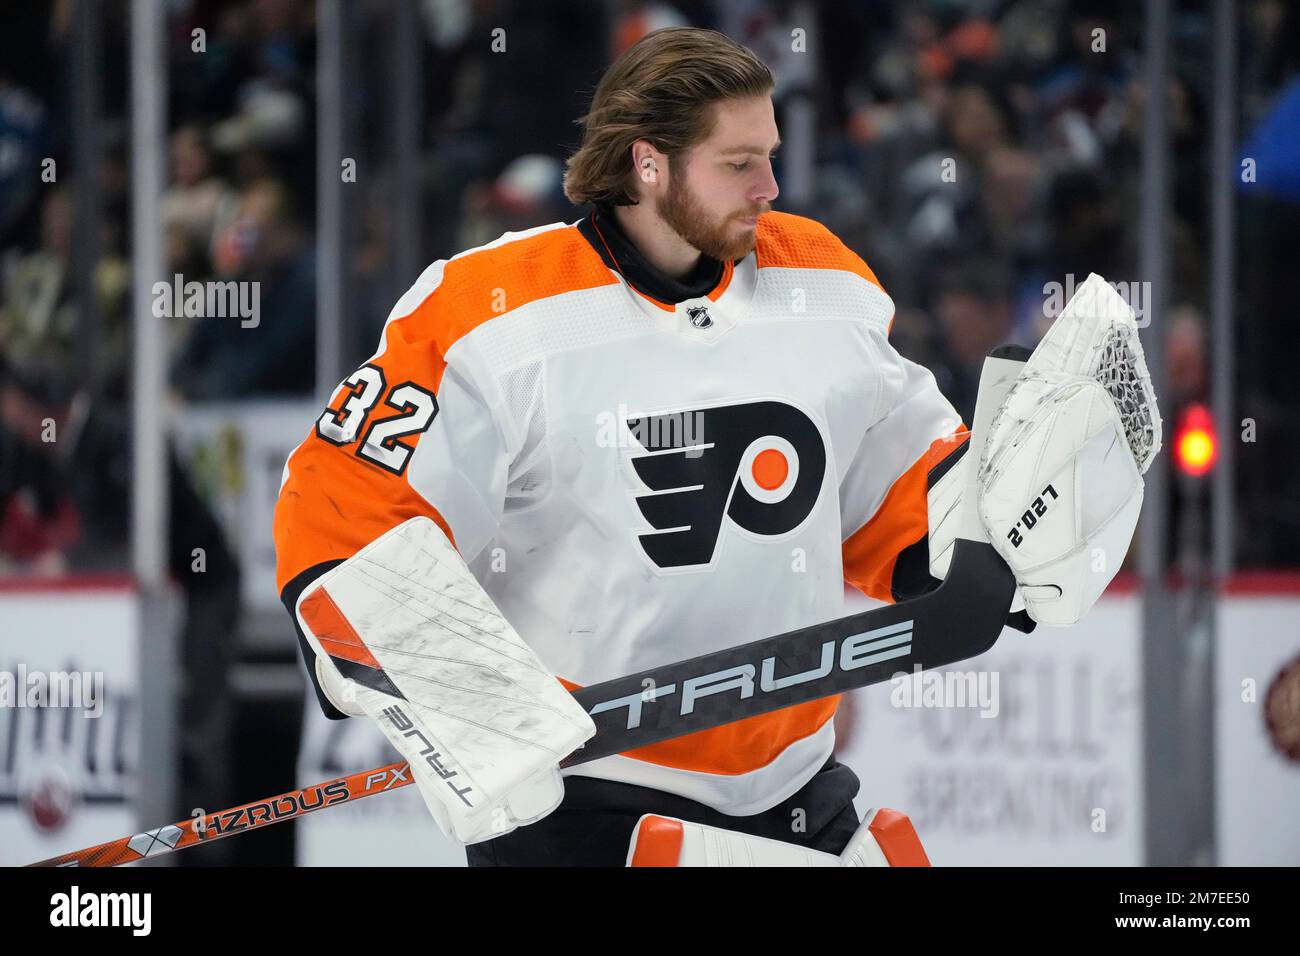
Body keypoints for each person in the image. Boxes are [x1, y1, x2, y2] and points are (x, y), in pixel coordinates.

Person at [273, 27, 1051, 867]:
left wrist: (1005, 532)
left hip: (793, 786)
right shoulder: (487, 310)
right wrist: (472, 700)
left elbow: (890, 477)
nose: (771, 185)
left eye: (770, 154)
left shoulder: (818, 277)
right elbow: (343, 517)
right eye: (737, 162)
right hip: (586, 802)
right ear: (648, 164)